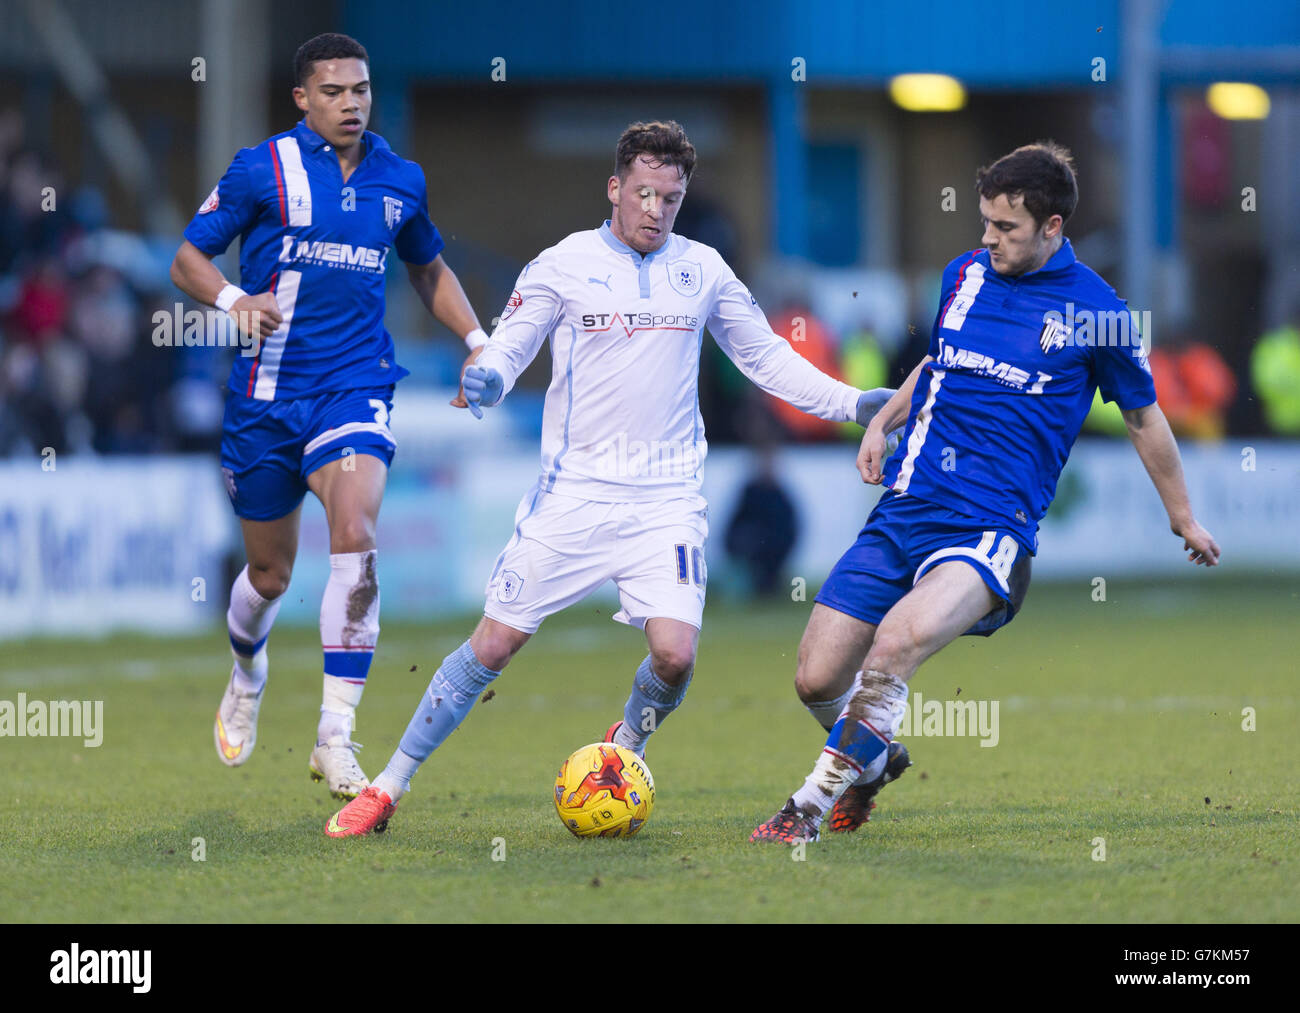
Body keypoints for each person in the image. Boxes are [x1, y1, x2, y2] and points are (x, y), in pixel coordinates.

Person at [326, 119, 896, 837]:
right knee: (494, 645)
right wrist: (489, 377)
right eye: (645, 194)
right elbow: (513, 342)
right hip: (575, 496)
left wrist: (853, 402)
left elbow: (765, 360)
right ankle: (387, 787)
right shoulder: (563, 263)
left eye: (672, 198)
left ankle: (624, 749)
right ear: (615, 188)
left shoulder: (703, 269)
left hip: (667, 500)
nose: (657, 210)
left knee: (675, 654)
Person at [750, 142, 1221, 844]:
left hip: (988, 529)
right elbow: (941, 363)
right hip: (907, 506)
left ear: (1053, 227)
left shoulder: (1099, 312)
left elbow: (1146, 418)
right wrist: (881, 420)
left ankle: (806, 810)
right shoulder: (964, 274)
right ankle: (872, 762)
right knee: (816, 678)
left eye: (1006, 227)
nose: (988, 239)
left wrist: (1182, 515)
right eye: (986, 223)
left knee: (894, 647)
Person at [169, 33, 487, 799]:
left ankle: (334, 735)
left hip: (356, 388)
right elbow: (187, 258)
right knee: (270, 574)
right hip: (266, 402)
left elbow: (428, 266)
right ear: (302, 99)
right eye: (336, 91)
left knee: (356, 530)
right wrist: (234, 300)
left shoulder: (398, 178)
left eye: (362, 90)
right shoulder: (260, 169)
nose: (352, 103)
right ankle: (248, 670)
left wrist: (478, 341)